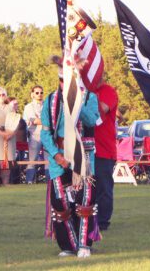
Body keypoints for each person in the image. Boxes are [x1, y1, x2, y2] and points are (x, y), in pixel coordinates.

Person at [41, 73, 102, 257]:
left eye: (68, 79)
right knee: (61, 203)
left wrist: (75, 104)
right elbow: (45, 133)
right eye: (61, 79)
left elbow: (92, 120)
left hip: (84, 158)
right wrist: (57, 155)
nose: (64, 83)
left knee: (85, 201)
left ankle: (84, 244)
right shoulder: (50, 100)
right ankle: (68, 245)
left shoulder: (90, 97)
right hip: (59, 159)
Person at [94, 81, 119, 231]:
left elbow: (103, 108)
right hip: (85, 149)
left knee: (103, 187)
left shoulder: (107, 90)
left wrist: (89, 97)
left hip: (104, 149)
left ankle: (102, 222)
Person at [23, 85, 45, 182]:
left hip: (47, 134)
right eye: (37, 93)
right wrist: (47, 121)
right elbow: (34, 121)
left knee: (49, 159)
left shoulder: (46, 105)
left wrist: (41, 120)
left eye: (41, 92)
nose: (39, 94)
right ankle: (29, 181)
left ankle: (50, 180)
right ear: (32, 94)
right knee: (32, 159)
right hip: (35, 136)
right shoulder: (28, 107)